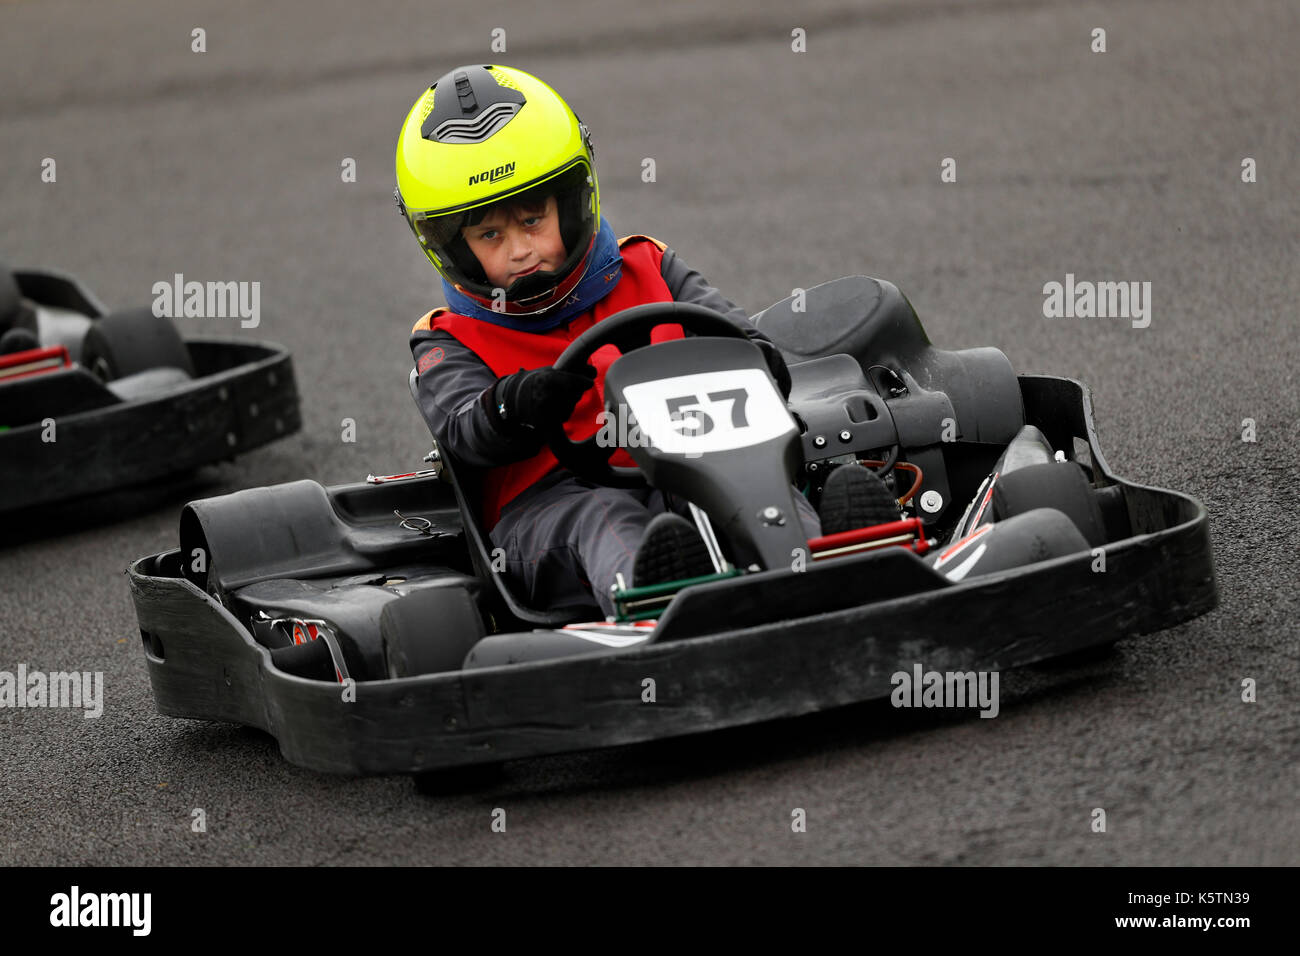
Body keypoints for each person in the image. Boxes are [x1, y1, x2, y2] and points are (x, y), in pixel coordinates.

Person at [396, 64, 824, 618]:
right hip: (547, 515)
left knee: (750, 485)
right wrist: (514, 404)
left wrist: (753, 367)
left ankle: (824, 568)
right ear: (450, 245)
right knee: (602, 518)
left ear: (571, 203)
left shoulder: (649, 266)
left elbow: (746, 343)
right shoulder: (448, 338)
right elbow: (464, 428)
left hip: (684, 467)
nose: (520, 250)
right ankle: (664, 609)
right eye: (490, 235)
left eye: (531, 220)